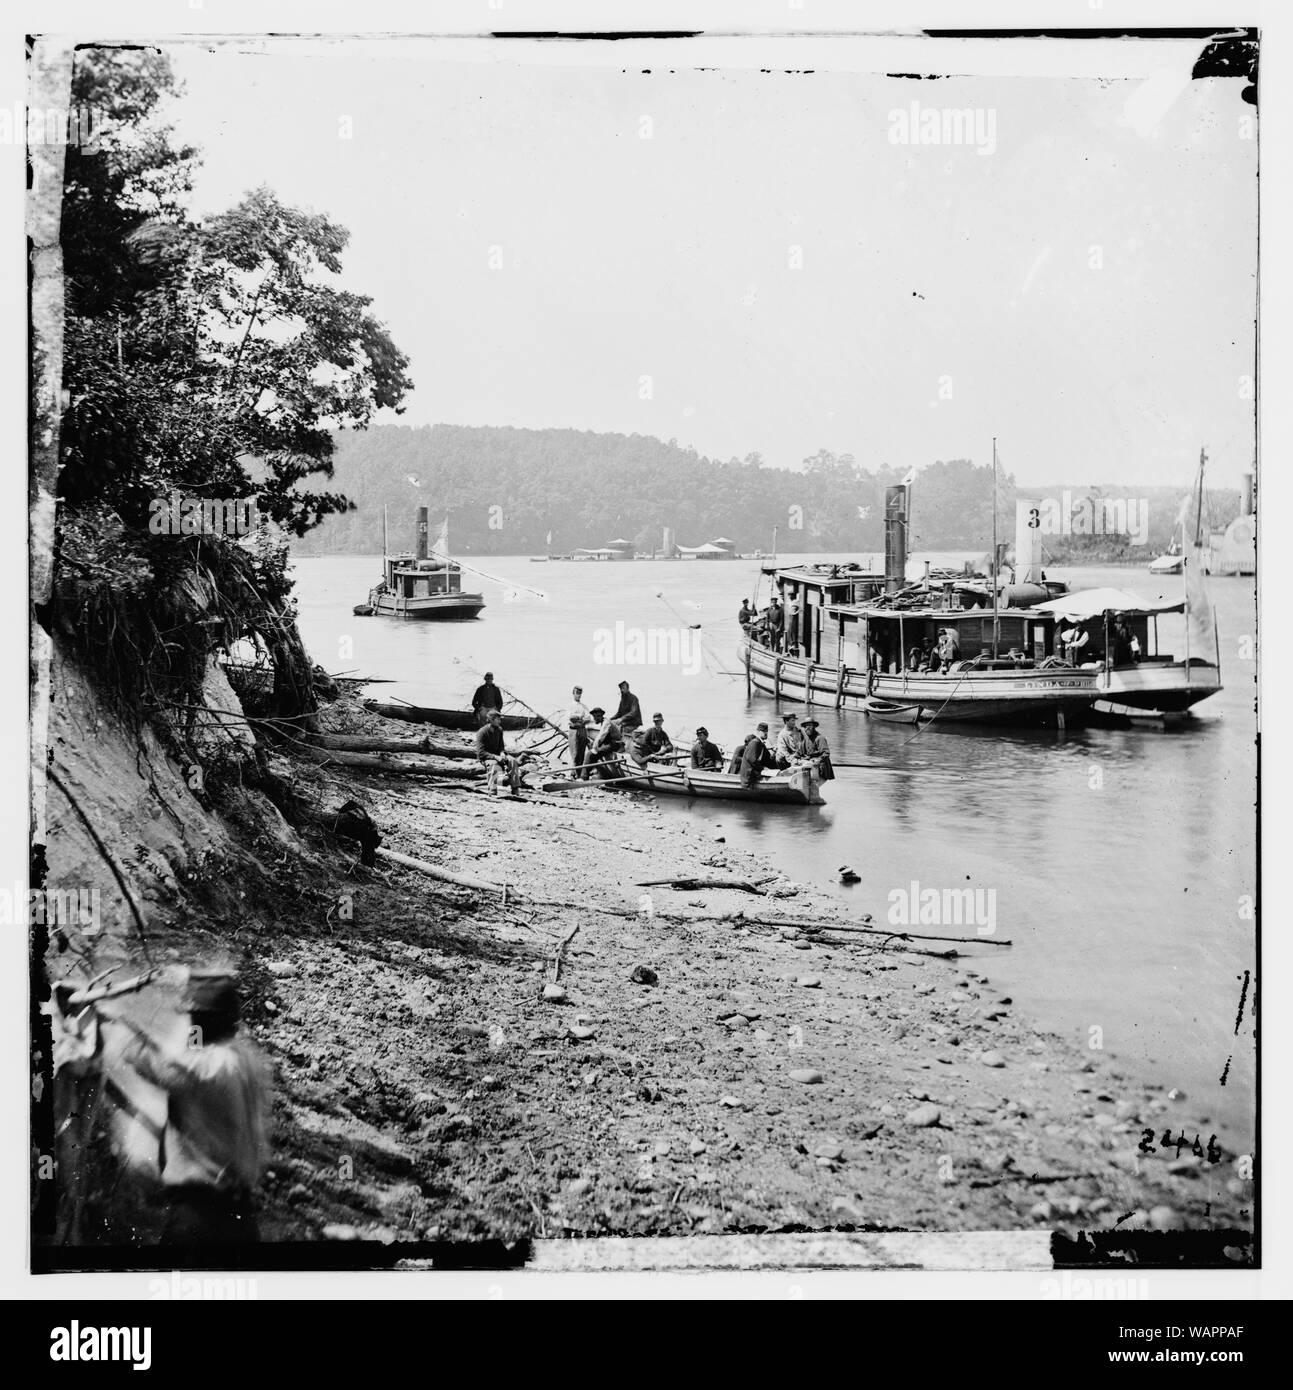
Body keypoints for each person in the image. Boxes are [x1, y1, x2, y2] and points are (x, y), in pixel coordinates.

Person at [111, 972, 269, 1245]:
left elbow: (149, 1061)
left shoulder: (209, 1067)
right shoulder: (246, 1061)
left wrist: (114, 1015)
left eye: (193, 1019)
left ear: (201, 1021)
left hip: (201, 1217)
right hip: (242, 1217)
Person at [475, 709, 522, 796]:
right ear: (491, 720)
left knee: (512, 761)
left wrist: (502, 753)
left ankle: (515, 788)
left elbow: (501, 747)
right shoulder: (482, 732)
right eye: (498, 719)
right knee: (494, 764)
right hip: (487, 757)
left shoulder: (499, 730)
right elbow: (480, 753)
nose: (500, 721)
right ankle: (492, 790)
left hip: (498, 755)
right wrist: (495, 757)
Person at [589, 709, 626, 778]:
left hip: (615, 745)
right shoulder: (603, 722)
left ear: (599, 716)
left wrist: (594, 748)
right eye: (593, 717)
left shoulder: (606, 723)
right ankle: (599, 771)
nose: (594, 719)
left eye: (595, 717)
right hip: (612, 744)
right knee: (594, 751)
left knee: (591, 755)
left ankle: (583, 776)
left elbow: (601, 736)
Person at [739, 722, 777, 788]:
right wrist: (763, 768)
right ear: (758, 732)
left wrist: (774, 756)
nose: (766, 733)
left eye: (766, 731)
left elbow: (767, 759)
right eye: (763, 731)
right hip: (748, 778)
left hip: (753, 773)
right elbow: (751, 759)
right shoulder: (755, 743)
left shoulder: (761, 744)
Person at [566, 685, 593, 780]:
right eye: (577, 693)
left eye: (580, 693)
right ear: (573, 693)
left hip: (582, 729)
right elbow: (571, 717)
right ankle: (573, 773)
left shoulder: (583, 706)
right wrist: (580, 717)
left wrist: (580, 719)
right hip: (573, 730)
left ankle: (579, 774)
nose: (578, 695)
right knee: (575, 752)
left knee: (582, 752)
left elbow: (588, 717)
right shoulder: (570, 705)